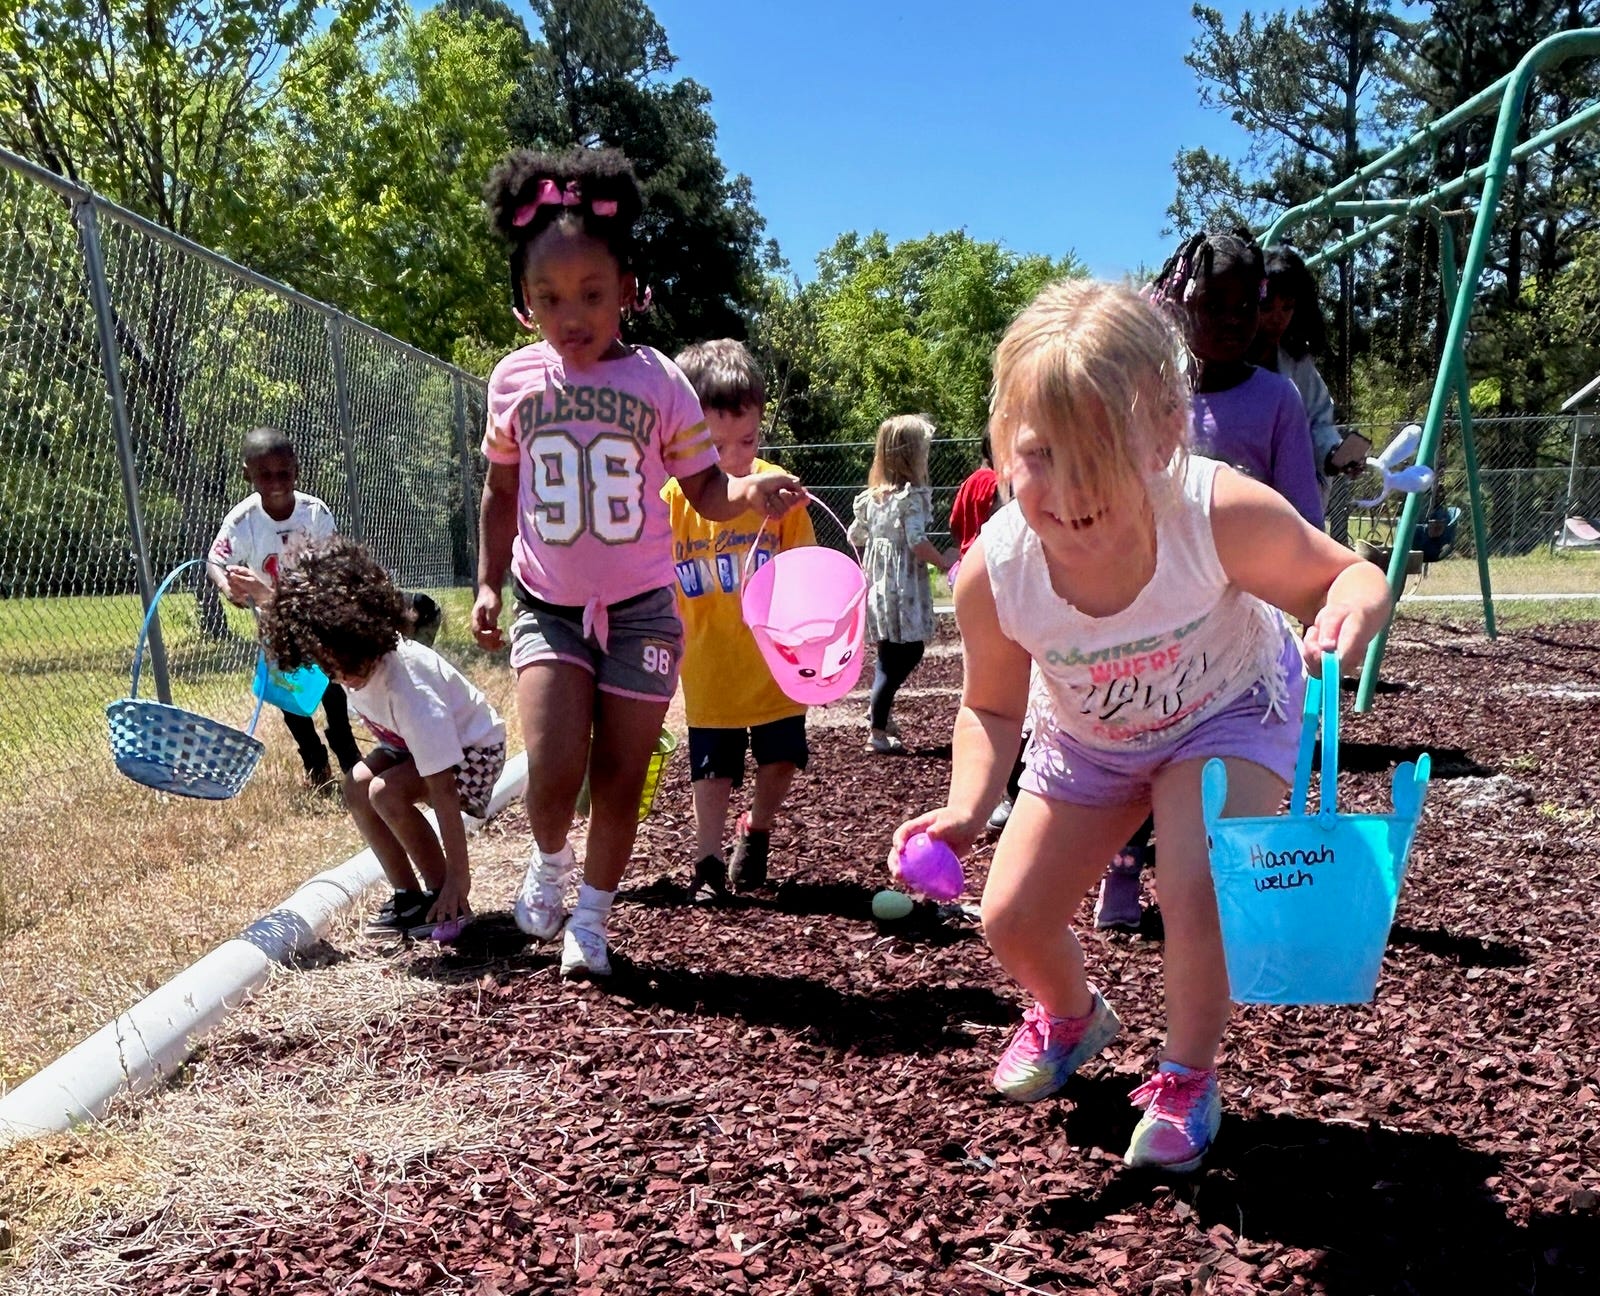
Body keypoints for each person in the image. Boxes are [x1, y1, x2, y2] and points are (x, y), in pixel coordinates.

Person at [890, 279, 1390, 1172]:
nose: (1069, 488)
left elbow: (1346, 575)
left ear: (1165, 431)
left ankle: (1187, 1076)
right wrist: (968, 809)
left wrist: (1349, 612)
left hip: (1232, 708)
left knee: (1194, 884)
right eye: (1041, 454)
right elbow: (993, 705)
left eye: (1100, 455)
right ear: (1004, 445)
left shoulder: (1214, 512)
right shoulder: (995, 572)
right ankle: (1073, 1016)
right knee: (1010, 916)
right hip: (1089, 739)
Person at [471, 146, 806, 980]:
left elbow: (706, 488)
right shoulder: (513, 382)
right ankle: (549, 860)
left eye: (591, 294)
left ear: (627, 288)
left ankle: (592, 917)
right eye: (548, 297)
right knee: (554, 768)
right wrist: (485, 579)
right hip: (548, 606)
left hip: (643, 611)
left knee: (620, 777)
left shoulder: (661, 384)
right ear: (524, 300)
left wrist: (752, 498)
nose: (571, 314)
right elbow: (498, 492)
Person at [262, 537, 507, 938]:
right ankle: (408, 898)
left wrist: (459, 880)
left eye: (348, 663)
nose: (341, 676)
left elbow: (443, 791)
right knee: (357, 787)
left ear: (368, 630)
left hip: (474, 750)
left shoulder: (407, 687)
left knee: (385, 792)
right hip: (411, 743)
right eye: (328, 666)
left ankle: (448, 899)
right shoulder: (345, 655)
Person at [665, 339, 817, 902]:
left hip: (773, 663)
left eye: (747, 440)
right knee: (712, 766)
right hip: (708, 665)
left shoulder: (777, 492)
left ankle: (755, 831)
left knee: (781, 757)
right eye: (715, 443)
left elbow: (804, 572)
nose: (733, 457)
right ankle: (706, 861)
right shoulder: (672, 499)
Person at [208, 426, 362, 793]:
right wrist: (225, 583)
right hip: (275, 625)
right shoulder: (243, 521)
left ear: (296, 470)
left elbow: (331, 570)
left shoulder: (313, 513)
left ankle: (349, 756)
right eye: (265, 474)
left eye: (284, 473)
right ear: (248, 473)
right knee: (290, 695)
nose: (276, 482)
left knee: (332, 688)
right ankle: (314, 760)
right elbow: (215, 559)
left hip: (316, 619)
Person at [848, 415, 957, 755]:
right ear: (912, 455)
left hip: (881, 587)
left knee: (887, 654)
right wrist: (943, 561)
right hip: (904, 588)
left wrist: (873, 564)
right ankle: (877, 729)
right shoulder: (913, 498)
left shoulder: (871, 498)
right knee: (910, 650)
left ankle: (879, 712)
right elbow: (915, 541)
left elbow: (855, 536)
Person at [1249, 245, 1371, 506]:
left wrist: (1334, 453)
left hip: (1292, 500)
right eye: (1267, 307)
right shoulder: (1224, 357)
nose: (1277, 318)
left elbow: (1319, 422)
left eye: (1288, 307)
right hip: (1242, 490)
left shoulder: (1297, 361)